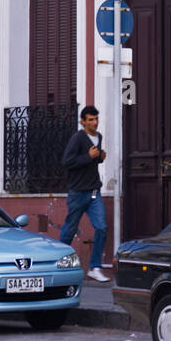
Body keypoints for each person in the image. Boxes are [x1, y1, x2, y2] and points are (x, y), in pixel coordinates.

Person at [59, 105, 110, 282]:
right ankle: (58, 262)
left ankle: (95, 267)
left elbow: (92, 164)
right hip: (78, 193)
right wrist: (88, 157)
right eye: (90, 120)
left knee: (102, 227)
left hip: (94, 191)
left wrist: (99, 158)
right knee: (70, 229)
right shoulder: (77, 138)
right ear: (82, 121)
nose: (95, 123)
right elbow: (67, 162)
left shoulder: (99, 137)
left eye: (96, 119)